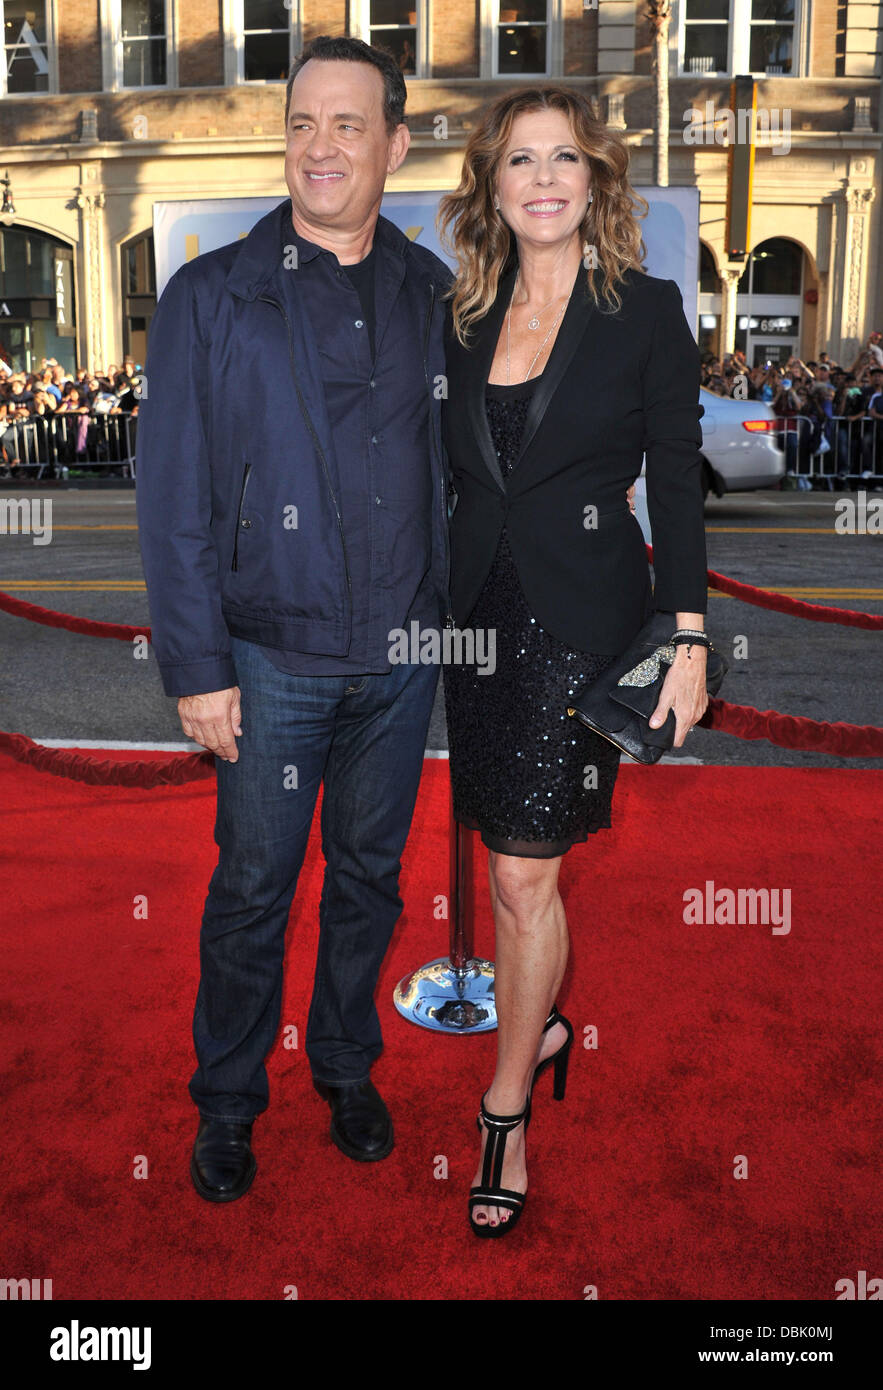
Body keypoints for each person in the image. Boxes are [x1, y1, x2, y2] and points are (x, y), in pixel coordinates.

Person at [135, 36, 453, 1203]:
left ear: (394, 144)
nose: (321, 147)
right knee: (252, 891)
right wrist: (195, 665)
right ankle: (226, 1101)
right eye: (302, 123)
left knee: (370, 879)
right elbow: (171, 492)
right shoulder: (212, 294)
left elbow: (467, 468)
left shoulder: (434, 294)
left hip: (402, 658)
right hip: (267, 659)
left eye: (348, 124)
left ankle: (344, 1066)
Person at [438, 84, 710, 1236]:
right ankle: (540, 1024)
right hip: (476, 627)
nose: (542, 178)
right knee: (503, 862)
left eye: (563, 158)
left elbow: (677, 483)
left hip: (580, 632)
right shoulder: (461, 314)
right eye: (519, 160)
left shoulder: (642, 310)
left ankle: (503, 1105)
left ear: (595, 178)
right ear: (492, 186)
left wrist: (688, 637)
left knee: (521, 875)